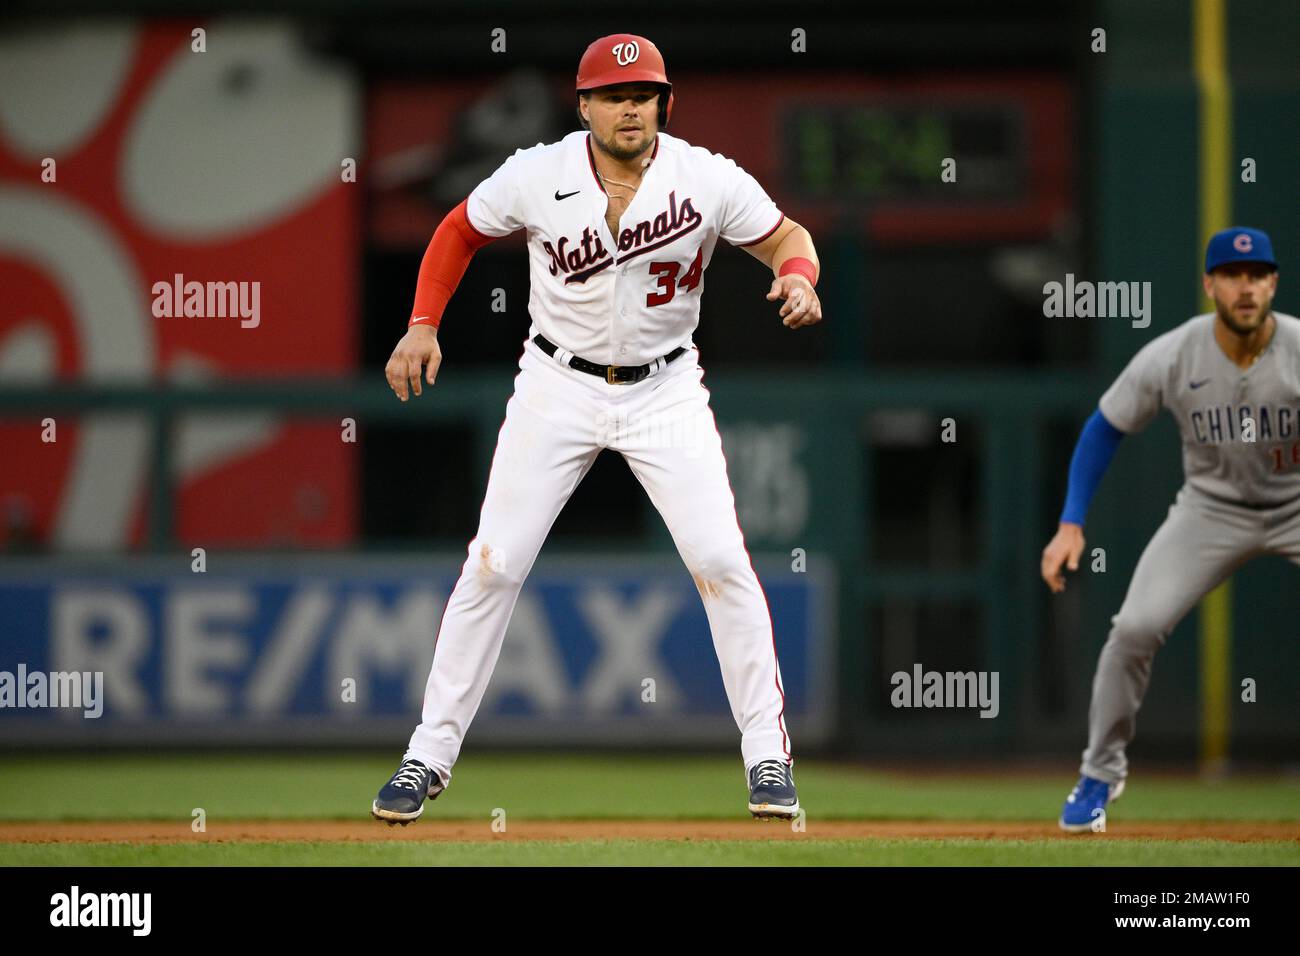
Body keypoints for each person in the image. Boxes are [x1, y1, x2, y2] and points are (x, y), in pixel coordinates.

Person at [371, 33, 823, 824]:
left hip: (665, 388)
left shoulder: (705, 177)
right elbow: (458, 230)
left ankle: (768, 759)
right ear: (583, 106)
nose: (630, 108)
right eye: (614, 96)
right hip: (557, 383)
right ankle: (426, 758)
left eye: (643, 95)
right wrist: (421, 323)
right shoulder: (537, 171)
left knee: (721, 559)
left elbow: (788, 236)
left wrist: (796, 276)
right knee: (493, 564)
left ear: (663, 104)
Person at [1041, 226, 1297, 832]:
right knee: (1135, 627)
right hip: (1211, 509)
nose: (1246, 287)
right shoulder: (1174, 354)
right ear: (1209, 284)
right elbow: (1104, 427)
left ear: (1273, 284)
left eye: (1257, 275)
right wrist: (1071, 522)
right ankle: (1099, 773)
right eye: (1233, 275)